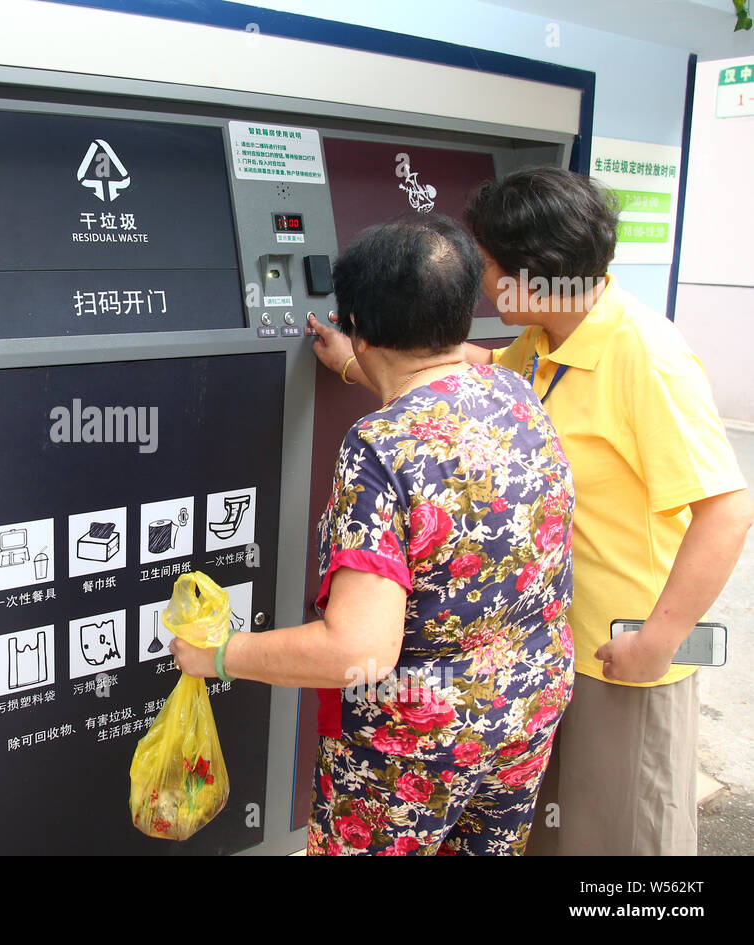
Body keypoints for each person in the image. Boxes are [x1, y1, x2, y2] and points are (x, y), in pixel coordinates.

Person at [310, 165, 753, 855]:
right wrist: (355, 357)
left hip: (625, 655)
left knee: (626, 844)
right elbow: (444, 381)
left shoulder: (646, 355)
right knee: (558, 838)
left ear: (532, 275)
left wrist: (657, 641)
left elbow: (727, 511)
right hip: (545, 655)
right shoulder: (545, 345)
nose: (481, 283)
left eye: (487, 265)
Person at [173, 213, 576, 855]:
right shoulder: (516, 391)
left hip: (415, 749)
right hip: (524, 708)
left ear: (356, 324)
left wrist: (220, 654)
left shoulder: (379, 449)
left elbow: (354, 649)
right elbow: (435, 397)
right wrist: (355, 367)